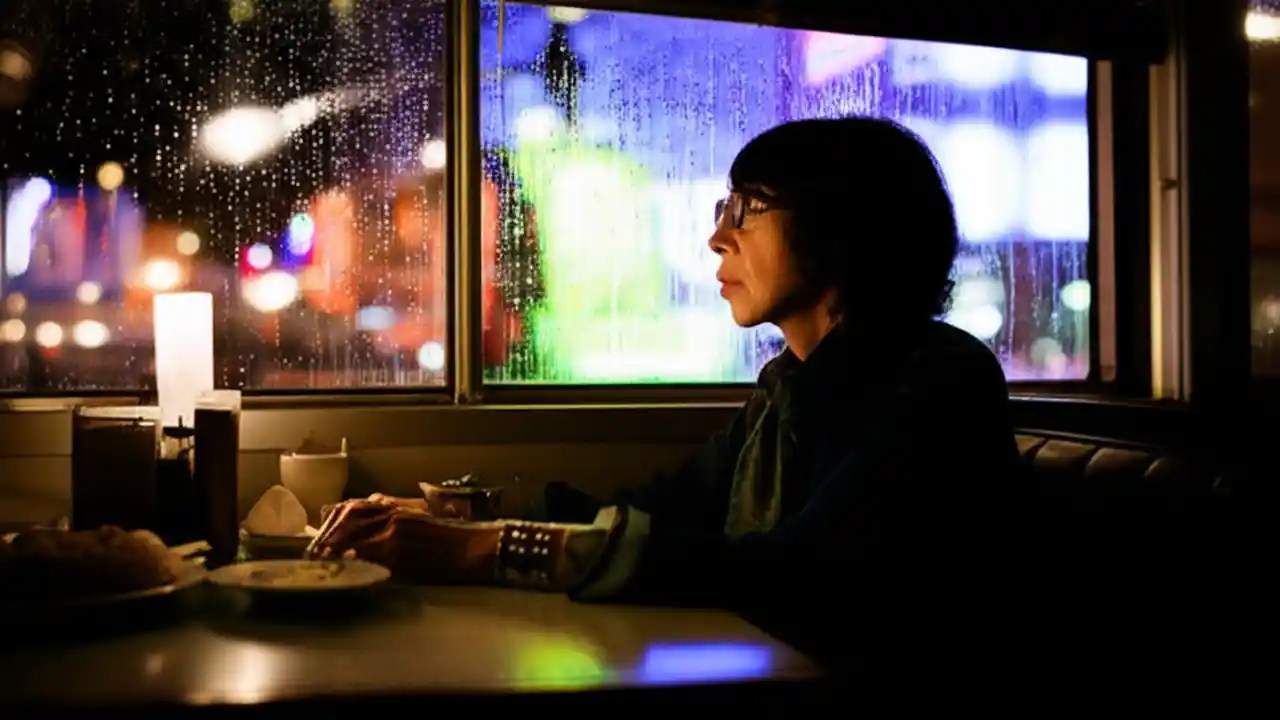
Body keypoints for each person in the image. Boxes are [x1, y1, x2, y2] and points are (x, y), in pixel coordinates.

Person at [310, 117, 1025, 679]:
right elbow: (659, 503)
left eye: (747, 209)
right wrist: (444, 512)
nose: (717, 236)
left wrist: (484, 551)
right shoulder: (789, 388)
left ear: (839, 231)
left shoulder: (938, 383)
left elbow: (792, 576)